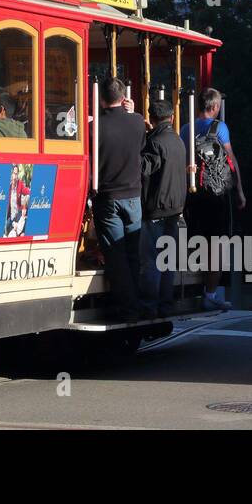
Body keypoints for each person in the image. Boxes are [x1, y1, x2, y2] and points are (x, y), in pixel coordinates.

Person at [182, 87, 247, 311]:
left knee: (195, 240)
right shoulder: (221, 128)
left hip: (193, 193)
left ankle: (190, 284)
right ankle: (210, 293)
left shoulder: (185, 128)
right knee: (218, 245)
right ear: (216, 107)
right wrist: (239, 190)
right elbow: (231, 160)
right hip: (218, 194)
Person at [92, 78, 149, 322]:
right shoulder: (137, 121)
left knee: (116, 255)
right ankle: (135, 300)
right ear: (123, 97)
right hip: (133, 196)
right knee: (132, 253)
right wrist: (134, 111)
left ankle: (129, 308)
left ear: (101, 99)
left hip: (108, 196)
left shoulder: (96, 127)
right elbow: (143, 143)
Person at [140, 98, 188, 318]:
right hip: (175, 209)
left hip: (156, 210)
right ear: (172, 117)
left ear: (152, 118)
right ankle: (165, 305)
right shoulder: (178, 141)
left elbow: (144, 170)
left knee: (151, 262)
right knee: (167, 262)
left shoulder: (155, 142)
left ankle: (149, 307)